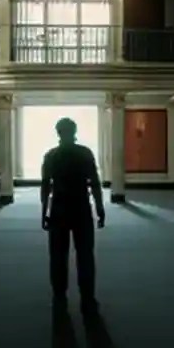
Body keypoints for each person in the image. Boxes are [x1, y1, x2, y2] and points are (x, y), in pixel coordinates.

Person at [41, 117, 105, 313]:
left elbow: (45, 187)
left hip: (59, 209)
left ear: (58, 132)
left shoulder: (51, 155)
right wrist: (100, 209)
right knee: (85, 255)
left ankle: (59, 297)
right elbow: (94, 183)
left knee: (58, 256)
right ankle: (88, 298)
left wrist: (43, 212)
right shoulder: (85, 154)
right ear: (74, 131)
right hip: (81, 209)